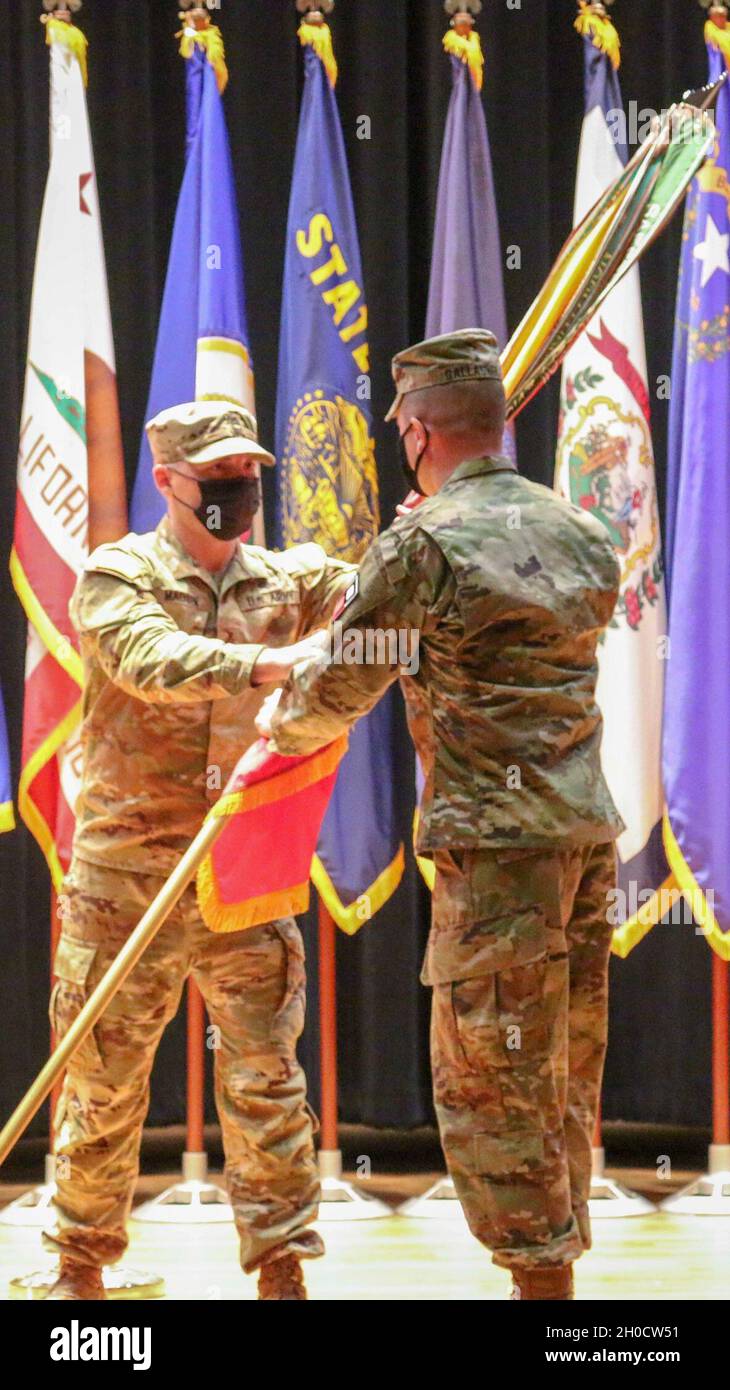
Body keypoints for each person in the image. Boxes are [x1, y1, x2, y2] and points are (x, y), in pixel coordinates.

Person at [260, 330, 624, 1301]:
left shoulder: (418, 543)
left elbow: (342, 679)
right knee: (560, 1072)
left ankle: (542, 1295)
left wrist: (275, 724)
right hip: (585, 837)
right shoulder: (580, 530)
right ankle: (551, 1283)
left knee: (493, 1079)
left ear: (417, 430)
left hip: (497, 849)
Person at [45, 400, 352, 1302]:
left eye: (246, 472)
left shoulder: (289, 579)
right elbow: (148, 659)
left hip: (243, 875)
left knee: (267, 1080)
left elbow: (380, 595)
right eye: (216, 476)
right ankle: (80, 1265)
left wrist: (415, 549)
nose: (235, 489)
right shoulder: (117, 575)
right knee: (103, 1083)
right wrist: (274, 664)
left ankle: (283, 1267)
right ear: (168, 481)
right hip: (126, 878)